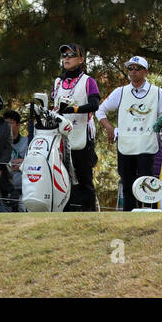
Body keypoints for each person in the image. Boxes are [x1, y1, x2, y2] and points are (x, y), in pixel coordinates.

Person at [97, 55, 162, 212]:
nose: (133, 72)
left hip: (147, 145)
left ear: (145, 71)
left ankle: (148, 216)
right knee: (127, 185)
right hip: (126, 145)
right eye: (130, 68)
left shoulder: (156, 92)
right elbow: (100, 110)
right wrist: (109, 128)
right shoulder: (120, 92)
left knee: (147, 185)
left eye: (137, 68)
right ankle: (128, 217)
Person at [51, 44, 101, 212]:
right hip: (61, 137)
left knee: (84, 177)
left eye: (71, 55)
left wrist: (74, 109)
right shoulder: (58, 82)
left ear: (81, 59)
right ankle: (65, 212)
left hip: (82, 136)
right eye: (64, 54)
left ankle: (89, 214)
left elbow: (95, 104)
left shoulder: (88, 81)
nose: (66, 58)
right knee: (61, 177)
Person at [4, 109, 28, 206]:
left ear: (18, 125)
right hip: (5, 190)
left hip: (24, 190)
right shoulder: (0, 143)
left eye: (11, 123)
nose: (8, 126)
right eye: (6, 123)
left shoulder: (28, 143)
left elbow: (37, 163)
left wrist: (24, 163)